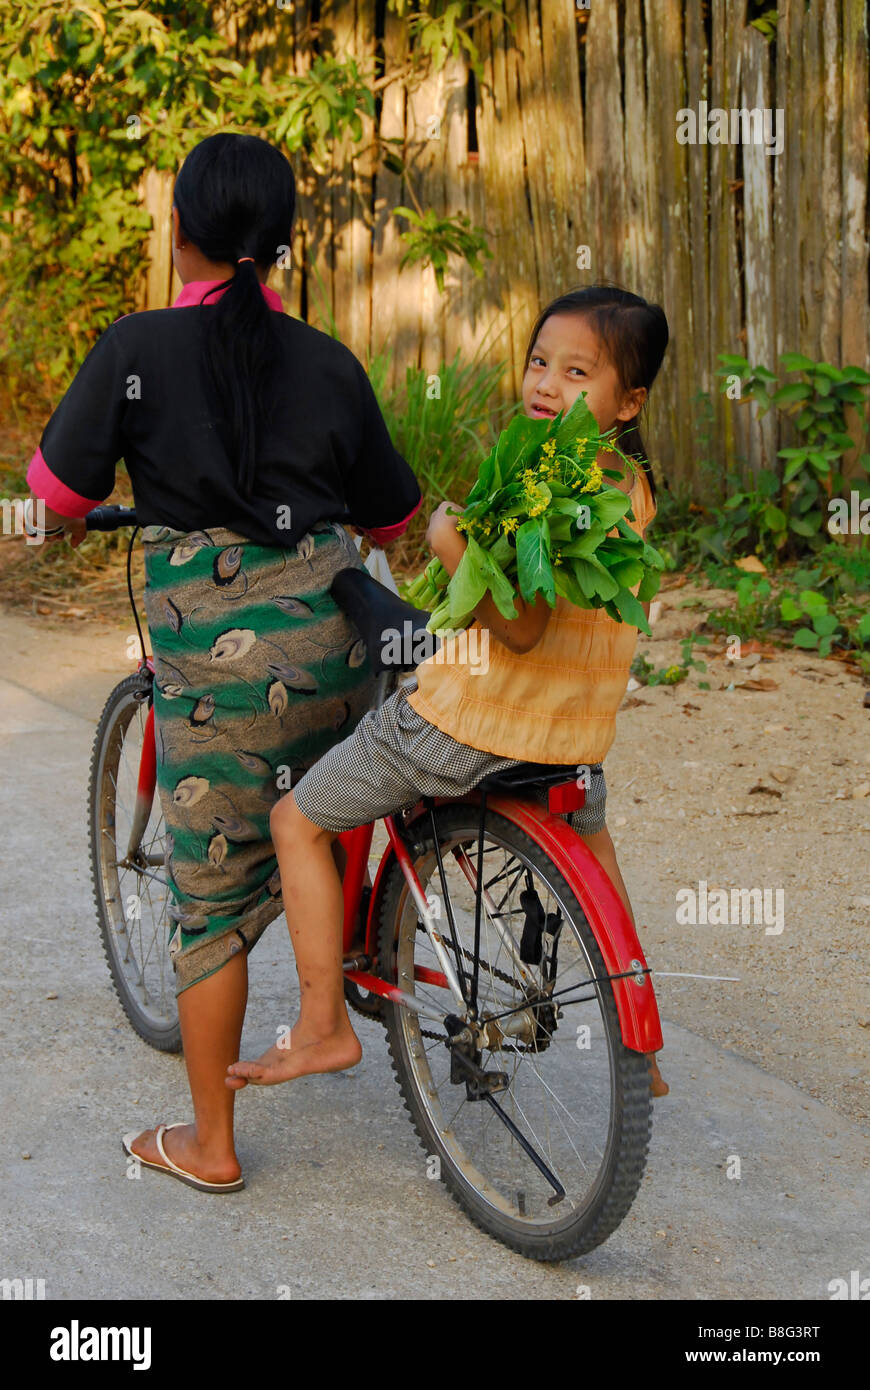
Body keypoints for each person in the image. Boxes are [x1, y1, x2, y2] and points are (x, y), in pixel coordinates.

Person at [24, 132, 422, 1191]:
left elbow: (57, 496)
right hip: (342, 639)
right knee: (317, 801)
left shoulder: (136, 348)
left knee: (207, 889)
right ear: (282, 246)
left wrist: (55, 526)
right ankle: (338, 984)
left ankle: (209, 1144)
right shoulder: (331, 361)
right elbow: (396, 511)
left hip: (221, 661)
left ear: (180, 233)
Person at [227, 284, 671, 1103]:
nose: (545, 383)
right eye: (540, 362)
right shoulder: (624, 484)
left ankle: (321, 1025)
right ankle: (635, 1036)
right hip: (568, 736)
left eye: (577, 372)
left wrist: (445, 534)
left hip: (468, 727)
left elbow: (523, 624)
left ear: (629, 399)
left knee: (296, 820)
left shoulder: (552, 487)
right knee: (594, 841)